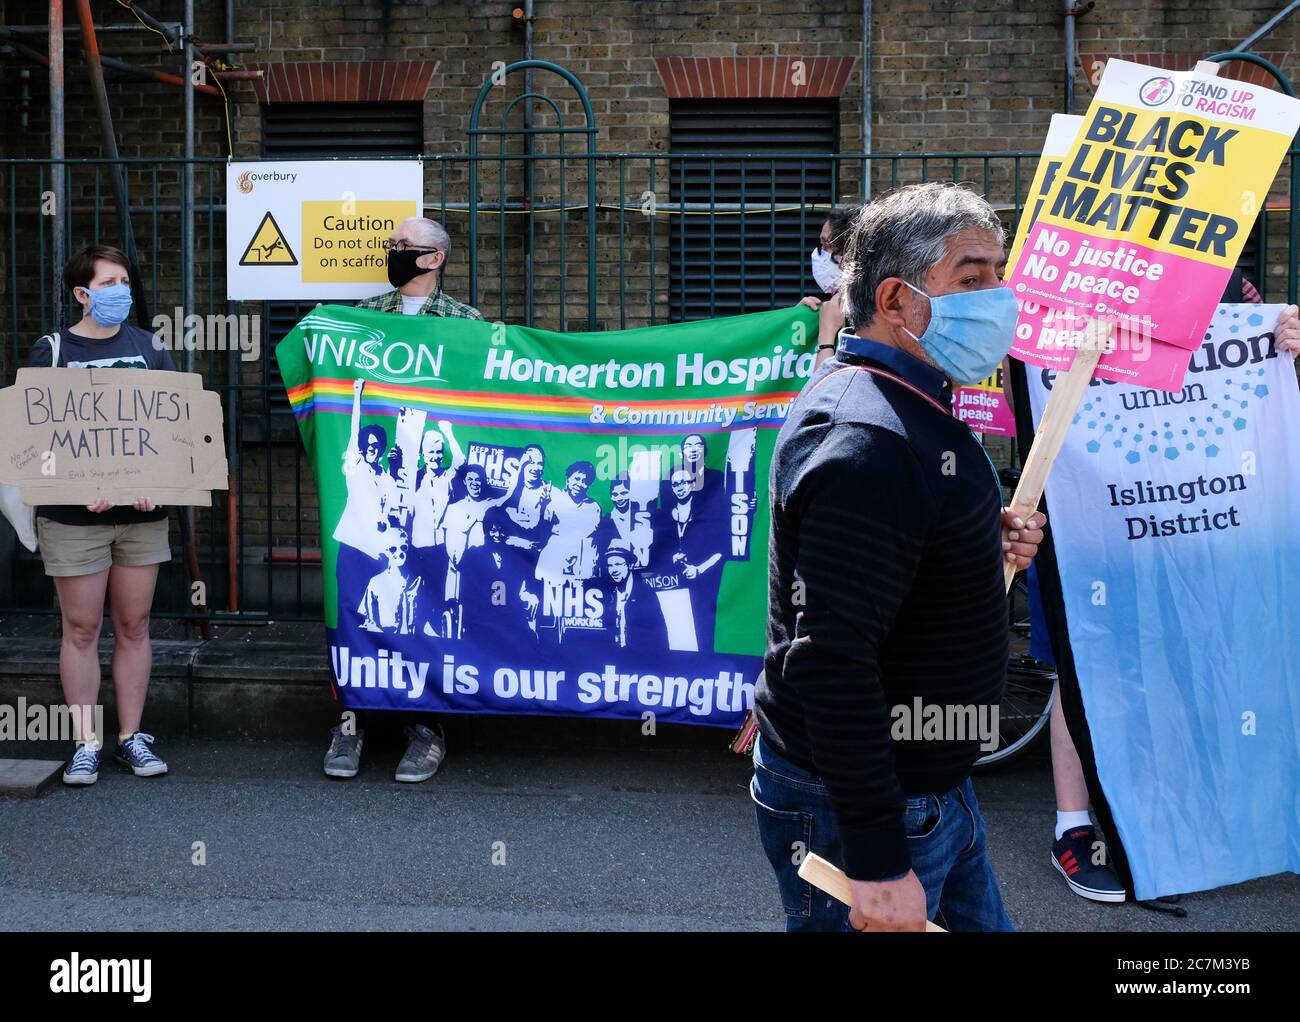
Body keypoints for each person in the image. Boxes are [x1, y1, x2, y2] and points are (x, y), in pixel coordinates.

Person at [752, 183, 1046, 932]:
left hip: (932, 787)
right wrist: (879, 864)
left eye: (999, 274)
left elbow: (898, 563)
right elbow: (831, 658)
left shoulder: (901, 400)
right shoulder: (868, 438)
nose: (998, 298)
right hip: (869, 811)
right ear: (896, 297)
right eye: (972, 278)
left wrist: (977, 542)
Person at [1030, 268, 1300, 903]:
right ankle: (1075, 827)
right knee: (1088, 663)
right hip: (1093, 509)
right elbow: (1019, 375)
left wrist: (1287, 347)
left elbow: (1264, 385)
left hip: (1202, 512)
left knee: (1189, 656)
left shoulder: (1223, 274)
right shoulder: (1071, 260)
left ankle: (1176, 816)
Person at [324, 215, 483, 784]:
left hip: (420, 514)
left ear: (435, 257)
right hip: (368, 512)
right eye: (389, 243)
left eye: (402, 246)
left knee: (423, 617)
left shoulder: (468, 324)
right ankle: (351, 721)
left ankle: (426, 728)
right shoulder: (360, 319)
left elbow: (482, 399)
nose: (391, 251)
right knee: (350, 617)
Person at [28, 244, 176, 786]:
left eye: (123, 282)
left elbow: (170, 430)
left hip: (140, 516)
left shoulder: (150, 346)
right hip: (73, 519)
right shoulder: (51, 350)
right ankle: (85, 741)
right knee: (83, 628)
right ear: (82, 293)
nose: (120, 291)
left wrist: (152, 484)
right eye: (108, 283)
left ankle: (131, 738)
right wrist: (76, 483)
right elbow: (35, 440)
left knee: (135, 626)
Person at [799, 206, 858, 370]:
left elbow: (820, 390)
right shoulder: (832, 308)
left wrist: (827, 336)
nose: (820, 253)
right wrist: (797, 319)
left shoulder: (869, 318)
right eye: (821, 244)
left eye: (827, 245)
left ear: (850, 254)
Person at [594, 542, 668, 653]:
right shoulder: (609, 594)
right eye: (610, 566)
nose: (613, 570)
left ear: (630, 565)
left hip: (641, 659)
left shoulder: (645, 593)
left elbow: (659, 632)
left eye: (618, 564)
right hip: (614, 658)